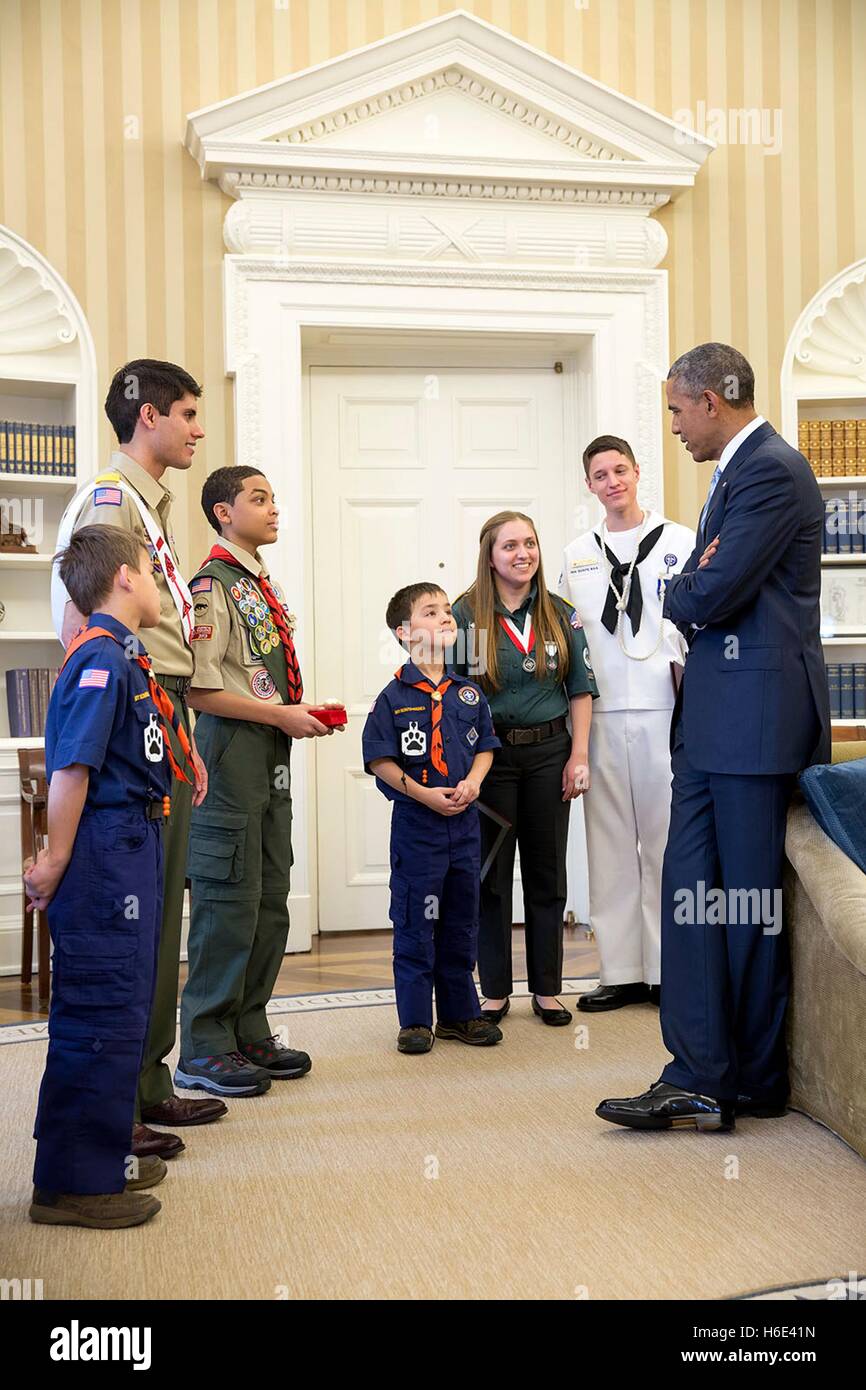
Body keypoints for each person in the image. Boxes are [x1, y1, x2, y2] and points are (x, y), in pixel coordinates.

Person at [596, 342, 831, 1134]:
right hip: (713, 726)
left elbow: (708, 591)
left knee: (746, 905)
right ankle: (706, 1074)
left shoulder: (769, 468)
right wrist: (692, 577)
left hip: (753, 728)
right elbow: (697, 580)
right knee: (697, 896)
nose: (672, 427)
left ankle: (742, 1078)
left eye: (675, 409)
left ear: (712, 399)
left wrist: (688, 581)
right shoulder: (734, 474)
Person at [51, 360, 218, 1160]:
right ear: (148, 417)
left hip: (160, 716)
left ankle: (148, 1083)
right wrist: (148, 726)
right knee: (135, 916)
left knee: (158, 915)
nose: (197, 430)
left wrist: (178, 737)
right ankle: (125, 1097)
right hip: (132, 723)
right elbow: (85, 624)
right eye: (187, 414)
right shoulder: (113, 502)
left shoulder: (150, 507)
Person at [26, 527, 194, 1227]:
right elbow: (73, 768)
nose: (160, 584)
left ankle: (106, 1152)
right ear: (124, 579)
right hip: (102, 852)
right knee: (99, 1010)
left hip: (134, 841)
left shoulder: (126, 659)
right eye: (153, 571)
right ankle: (74, 1182)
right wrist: (56, 858)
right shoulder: (99, 662)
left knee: (125, 1004)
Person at [176, 467, 336, 1096]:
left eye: (273, 496)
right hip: (230, 759)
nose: (274, 509)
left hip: (270, 756)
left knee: (270, 897)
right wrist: (280, 716)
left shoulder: (256, 585)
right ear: (223, 512)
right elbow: (200, 688)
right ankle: (204, 1045)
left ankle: (249, 1027)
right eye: (259, 499)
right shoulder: (211, 588)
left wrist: (295, 714)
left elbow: (255, 679)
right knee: (227, 900)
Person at [559, 436, 694, 1011]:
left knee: (667, 844)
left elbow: (696, 630)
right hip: (602, 713)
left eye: (620, 470)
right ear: (588, 485)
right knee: (609, 842)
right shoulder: (576, 555)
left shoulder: (681, 543)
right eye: (600, 474)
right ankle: (620, 970)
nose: (612, 481)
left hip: (665, 710)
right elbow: (567, 641)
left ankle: (668, 970)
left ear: (638, 473)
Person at [451, 512, 598, 1027]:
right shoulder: (466, 617)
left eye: (530, 543)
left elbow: (580, 688)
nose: (522, 553)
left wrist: (579, 755)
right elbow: (454, 695)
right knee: (490, 876)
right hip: (489, 761)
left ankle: (548, 989)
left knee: (546, 871)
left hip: (549, 755)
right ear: (489, 555)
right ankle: (493, 990)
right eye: (509, 545)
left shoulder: (560, 614)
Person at [363, 583, 502, 1054]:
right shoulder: (393, 697)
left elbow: (485, 746)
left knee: (462, 920)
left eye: (447, 610)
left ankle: (461, 1014)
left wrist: (475, 783)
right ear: (404, 632)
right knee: (415, 922)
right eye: (431, 612)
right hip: (418, 831)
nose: (446, 618)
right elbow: (381, 760)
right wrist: (422, 793)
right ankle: (416, 1020)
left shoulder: (468, 693)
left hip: (463, 829)